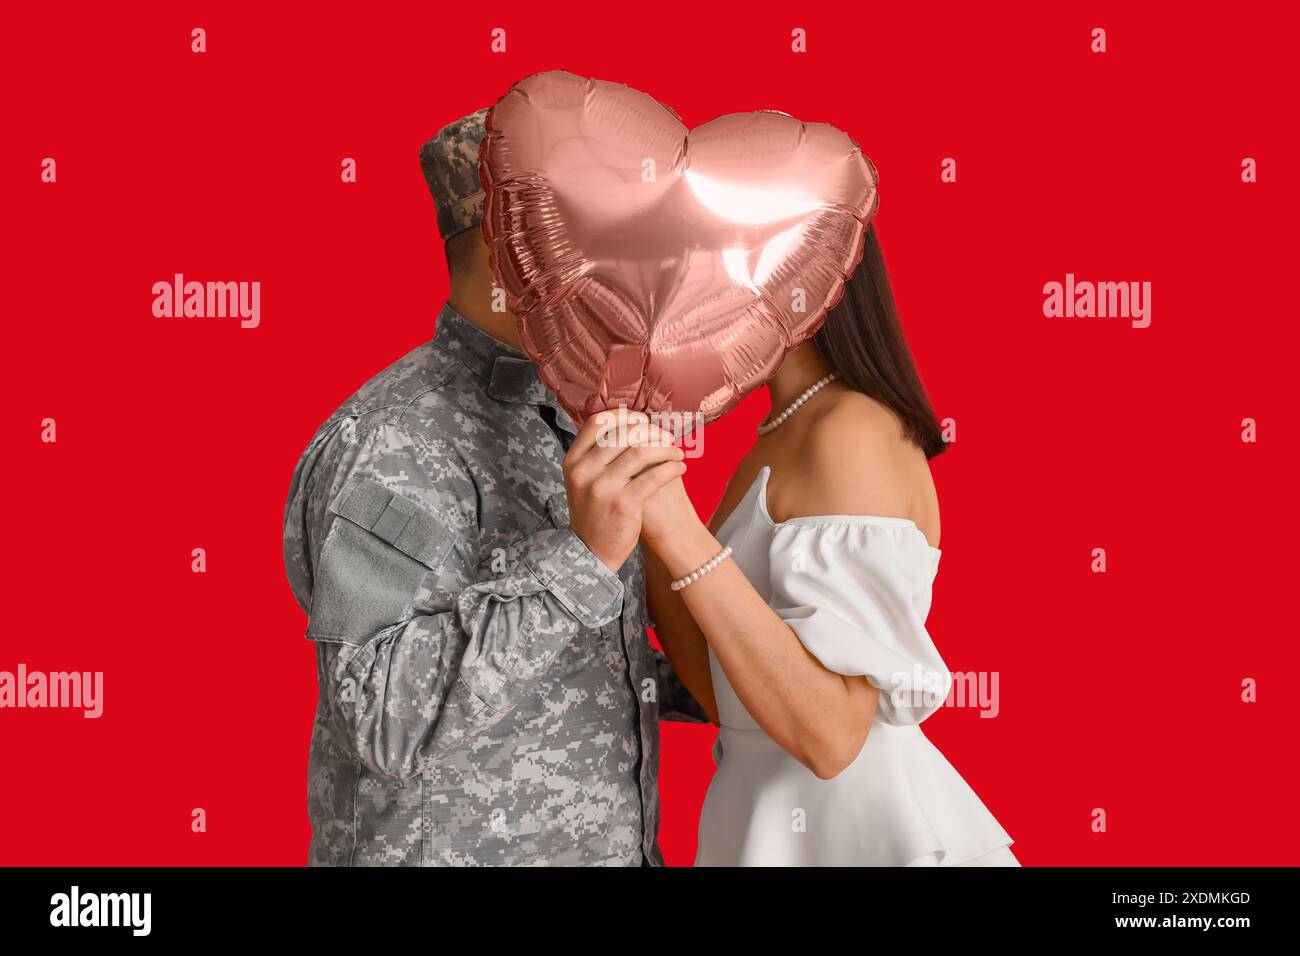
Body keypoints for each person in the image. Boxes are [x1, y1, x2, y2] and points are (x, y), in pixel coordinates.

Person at [281, 108, 707, 867]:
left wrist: (746, 668)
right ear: (508, 245)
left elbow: (573, 664)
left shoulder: (573, 412)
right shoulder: (389, 441)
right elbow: (382, 719)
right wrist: (582, 559)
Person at [639, 225, 1020, 866]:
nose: (681, 305)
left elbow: (830, 736)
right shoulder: (781, 433)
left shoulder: (848, 431)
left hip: (848, 834)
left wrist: (678, 532)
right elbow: (729, 696)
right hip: (769, 819)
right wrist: (650, 522)